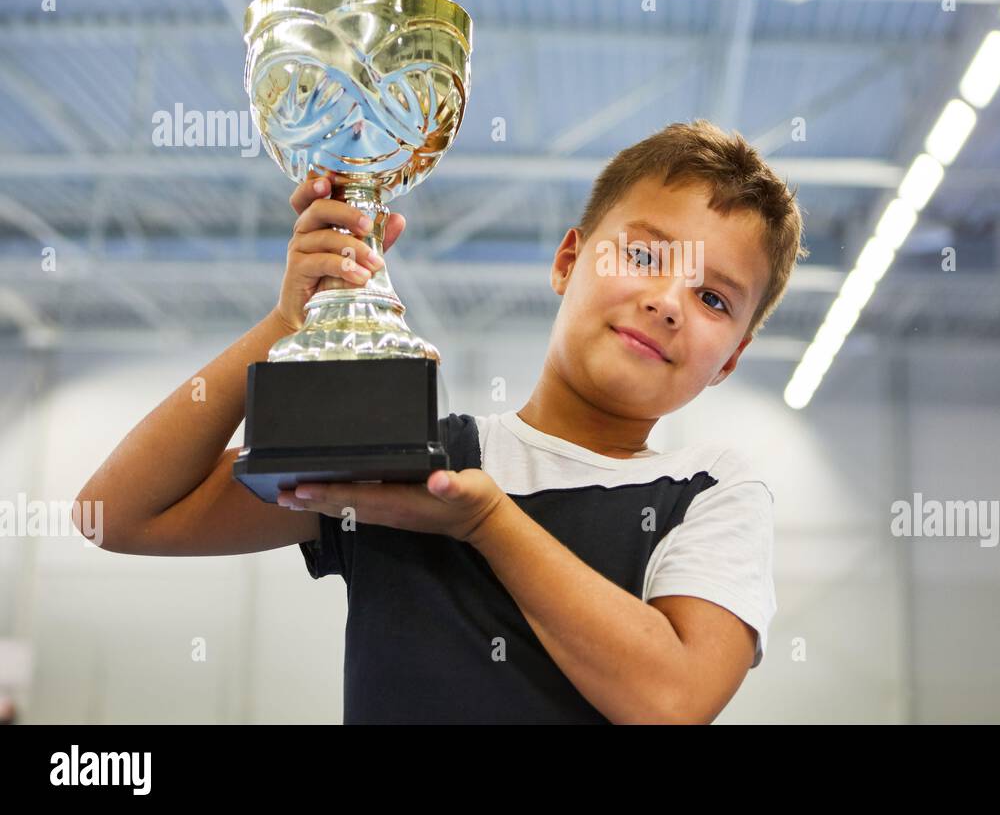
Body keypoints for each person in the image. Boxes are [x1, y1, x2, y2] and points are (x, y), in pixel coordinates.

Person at [76, 119, 808, 724]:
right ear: (567, 261)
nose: (670, 301)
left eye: (714, 299)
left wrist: (484, 523)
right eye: (645, 254)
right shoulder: (414, 455)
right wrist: (288, 321)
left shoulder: (711, 492)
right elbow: (116, 515)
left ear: (731, 360)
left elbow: (669, 700)